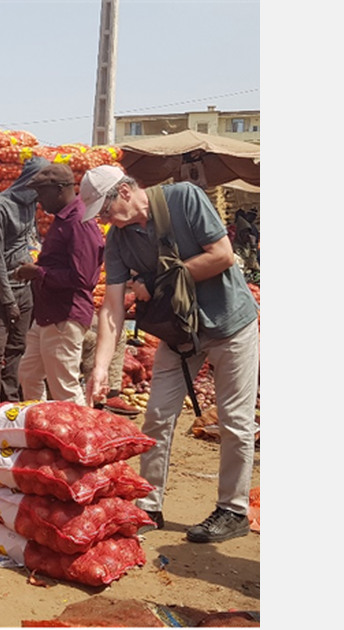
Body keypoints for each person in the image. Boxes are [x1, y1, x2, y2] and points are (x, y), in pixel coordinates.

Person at [82, 165, 259, 544]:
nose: (104, 219)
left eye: (105, 210)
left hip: (231, 324)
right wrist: (98, 369)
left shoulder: (184, 199)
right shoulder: (118, 240)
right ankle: (149, 504)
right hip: (180, 333)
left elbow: (223, 256)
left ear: (125, 193)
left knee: (235, 423)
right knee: (158, 415)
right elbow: (112, 307)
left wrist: (154, 282)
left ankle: (233, 510)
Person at [12, 164, 104, 404]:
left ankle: (80, 437)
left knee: (64, 386)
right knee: (29, 374)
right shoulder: (64, 219)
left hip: (65, 315)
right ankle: (40, 427)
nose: (39, 201)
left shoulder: (78, 221)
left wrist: (38, 273)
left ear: (61, 189)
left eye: (42, 193)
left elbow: (84, 278)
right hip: (47, 314)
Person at [0, 156, 48, 402]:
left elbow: (31, 239)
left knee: (18, 347)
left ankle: (11, 401)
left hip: (24, 286)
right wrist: (8, 300)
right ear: (29, 182)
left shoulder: (31, 205)